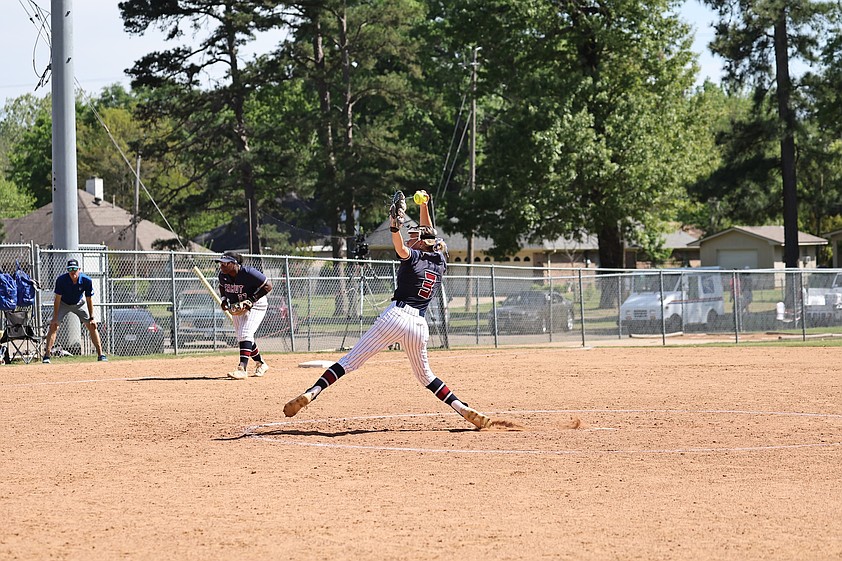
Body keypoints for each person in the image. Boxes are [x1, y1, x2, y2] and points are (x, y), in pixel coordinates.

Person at [282, 191, 492, 429]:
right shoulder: (439, 261)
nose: (412, 237)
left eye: (415, 236)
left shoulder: (413, 256)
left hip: (395, 316)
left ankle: (313, 391)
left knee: (349, 361)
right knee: (426, 377)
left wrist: (394, 228)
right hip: (419, 326)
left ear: (423, 242)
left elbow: (401, 247)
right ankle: (460, 407)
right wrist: (425, 205)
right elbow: (429, 233)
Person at [215, 251, 273, 379]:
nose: (221, 266)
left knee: (245, 334)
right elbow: (222, 287)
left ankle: (242, 368)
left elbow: (268, 286)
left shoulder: (248, 273)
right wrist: (224, 299)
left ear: (234, 263)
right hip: (237, 306)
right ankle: (261, 363)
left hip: (256, 304)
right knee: (243, 336)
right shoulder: (223, 275)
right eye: (221, 263)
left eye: (225, 263)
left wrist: (251, 300)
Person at [43, 259, 107, 363]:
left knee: (92, 326)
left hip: (79, 303)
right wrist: (55, 318)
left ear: (79, 270)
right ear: (67, 270)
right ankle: (47, 356)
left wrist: (92, 318)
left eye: (75, 269)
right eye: (70, 269)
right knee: (54, 326)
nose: (73, 272)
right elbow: (57, 299)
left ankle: (101, 354)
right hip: (63, 303)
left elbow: (89, 299)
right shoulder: (61, 280)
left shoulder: (86, 280)